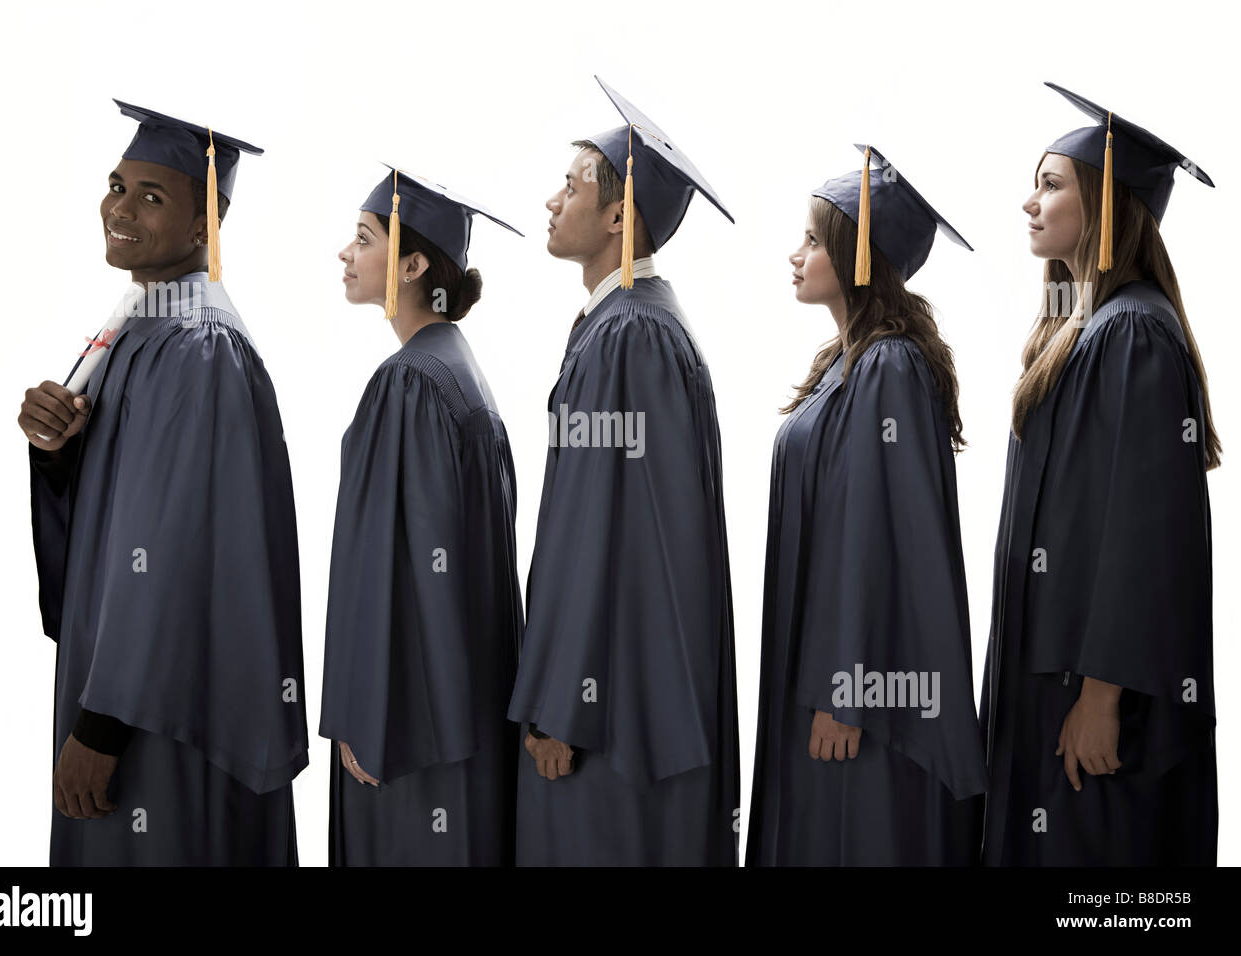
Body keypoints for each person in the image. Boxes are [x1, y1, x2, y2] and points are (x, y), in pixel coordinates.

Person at [18, 101, 308, 865]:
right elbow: (121, 514)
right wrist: (56, 452)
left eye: (151, 196)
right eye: (117, 186)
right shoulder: (135, 324)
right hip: (116, 677)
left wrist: (102, 726)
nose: (119, 208)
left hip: (159, 709)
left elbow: (173, 553)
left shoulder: (198, 348)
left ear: (205, 225)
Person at [979, 83, 1220, 865]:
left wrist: (1103, 693)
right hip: (1047, 681)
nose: (1029, 203)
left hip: (1092, 698)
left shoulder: (1135, 334)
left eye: (1050, 185)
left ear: (1108, 205)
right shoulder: (1083, 331)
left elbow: (1144, 529)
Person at [507, 76, 740, 865]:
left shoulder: (630, 337)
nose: (551, 201)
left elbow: (612, 537)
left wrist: (564, 701)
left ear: (618, 216)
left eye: (571, 187)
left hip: (608, 718)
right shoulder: (629, 325)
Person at [745, 145, 988, 865]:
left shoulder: (888, 366)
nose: (796, 255)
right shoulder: (845, 361)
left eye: (813, 240)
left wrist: (846, 689)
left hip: (861, 699)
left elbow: (880, 538)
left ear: (859, 257)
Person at [320, 166, 525, 865]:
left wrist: (367, 712)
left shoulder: (409, 381)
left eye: (363, 238)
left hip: (410, 736)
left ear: (412, 266)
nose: (345, 252)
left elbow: (403, 569)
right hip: (466, 713)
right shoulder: (461, 373)